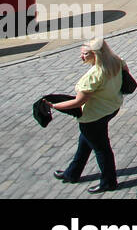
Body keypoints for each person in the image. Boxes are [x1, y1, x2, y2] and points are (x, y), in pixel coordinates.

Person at [51, 38, 126, 192]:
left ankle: (109, 182)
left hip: (93, 117)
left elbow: (78, 102)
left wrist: (53, 105)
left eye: (85, 54)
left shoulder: (93, 76)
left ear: (96, 55)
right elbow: (127, 77)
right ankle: (72, 173)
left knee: (101, 149)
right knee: (85, 142)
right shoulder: (117, 61)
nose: (81, 57)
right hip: (111, 108)